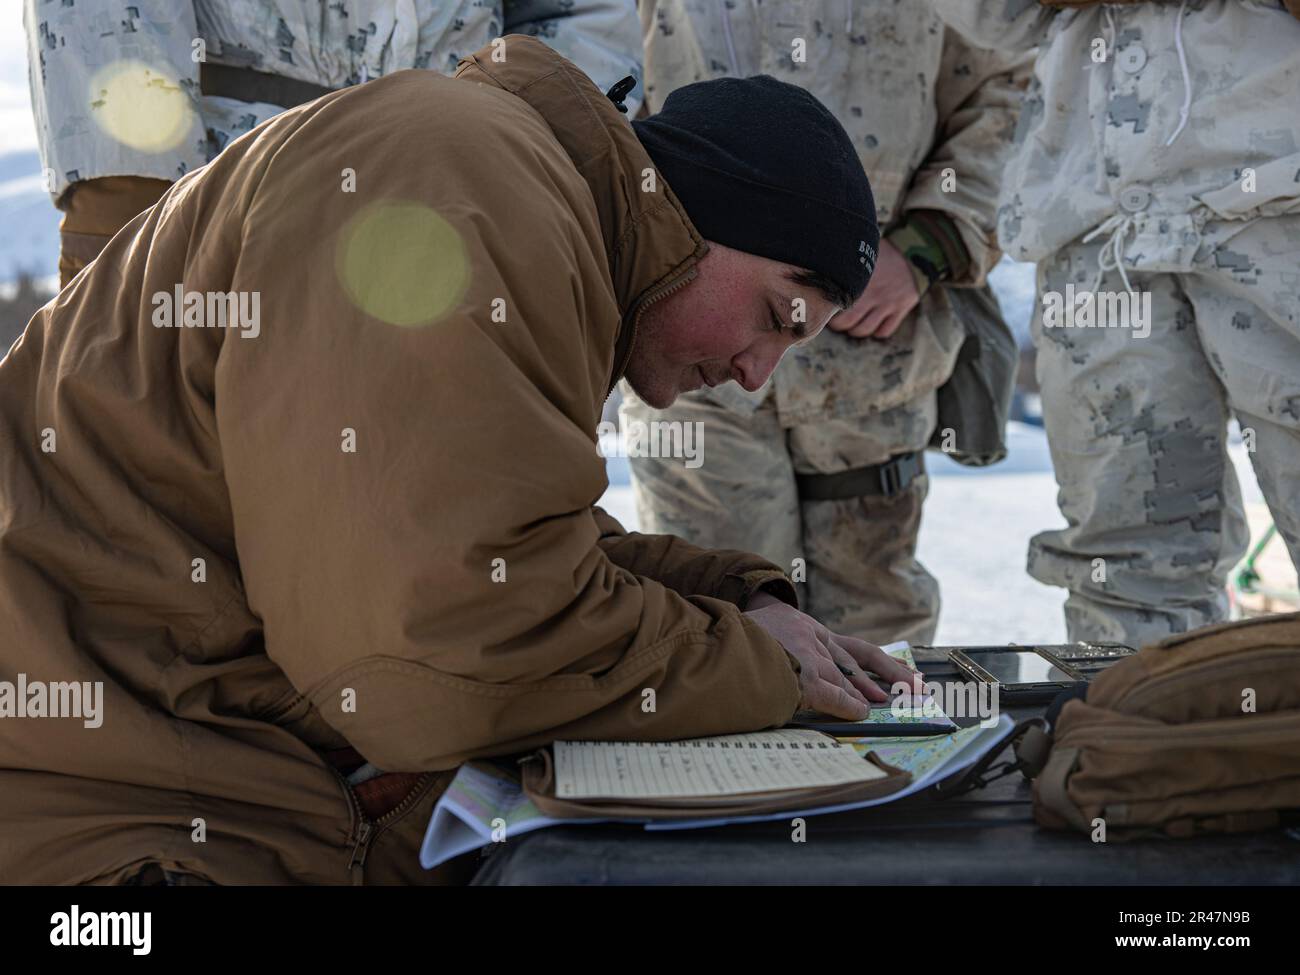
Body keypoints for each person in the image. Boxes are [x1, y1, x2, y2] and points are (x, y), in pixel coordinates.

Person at [0, 36, 925, 884]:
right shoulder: (457, 176)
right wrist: (750, 665)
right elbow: (428, 659)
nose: (754, 376)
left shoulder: (507, 189)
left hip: (183, 771)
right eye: (777, 316)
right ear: (706, 219)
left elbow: (487, 542)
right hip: (116, 820)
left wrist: (731, 597)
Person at [621, 0, 1028, 645]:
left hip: (873, 348)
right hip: (688, 335)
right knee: (710, 615)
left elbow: (1010, 88)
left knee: (878, 633)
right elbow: (600, 81)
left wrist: (929, 241)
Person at [934, 0, 1300, 645]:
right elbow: (994, 18)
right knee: (1124, 568)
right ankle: (1141, 742)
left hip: (1276, 201)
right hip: (1099, 227)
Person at [25, 0, 646, 288]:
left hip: (461, 209)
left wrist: (533, 164)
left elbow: (580, 14)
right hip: (227, 204)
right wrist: (122, 200)